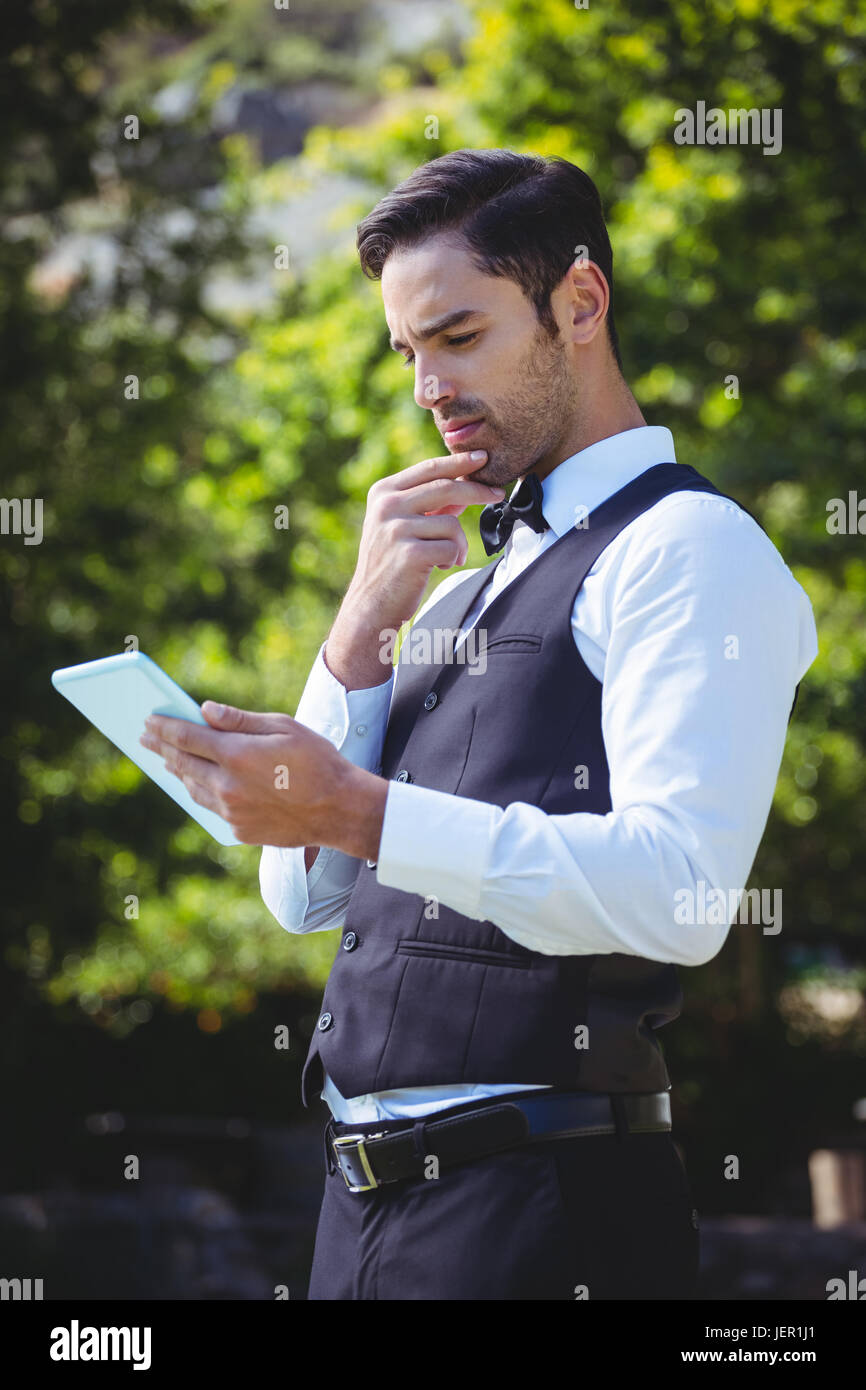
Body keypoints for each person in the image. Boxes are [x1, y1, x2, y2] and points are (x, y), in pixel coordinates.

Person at [142, 149, 818, 1300]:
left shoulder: (686, 548)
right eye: (408, 352)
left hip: (545, 1210)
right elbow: (300, 896)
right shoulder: (456, 592)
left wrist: (354, 806)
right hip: (359, 1214)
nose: (426, 388)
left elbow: (683, 895)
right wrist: (358, 629)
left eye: (458, 338)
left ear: (580, 303)